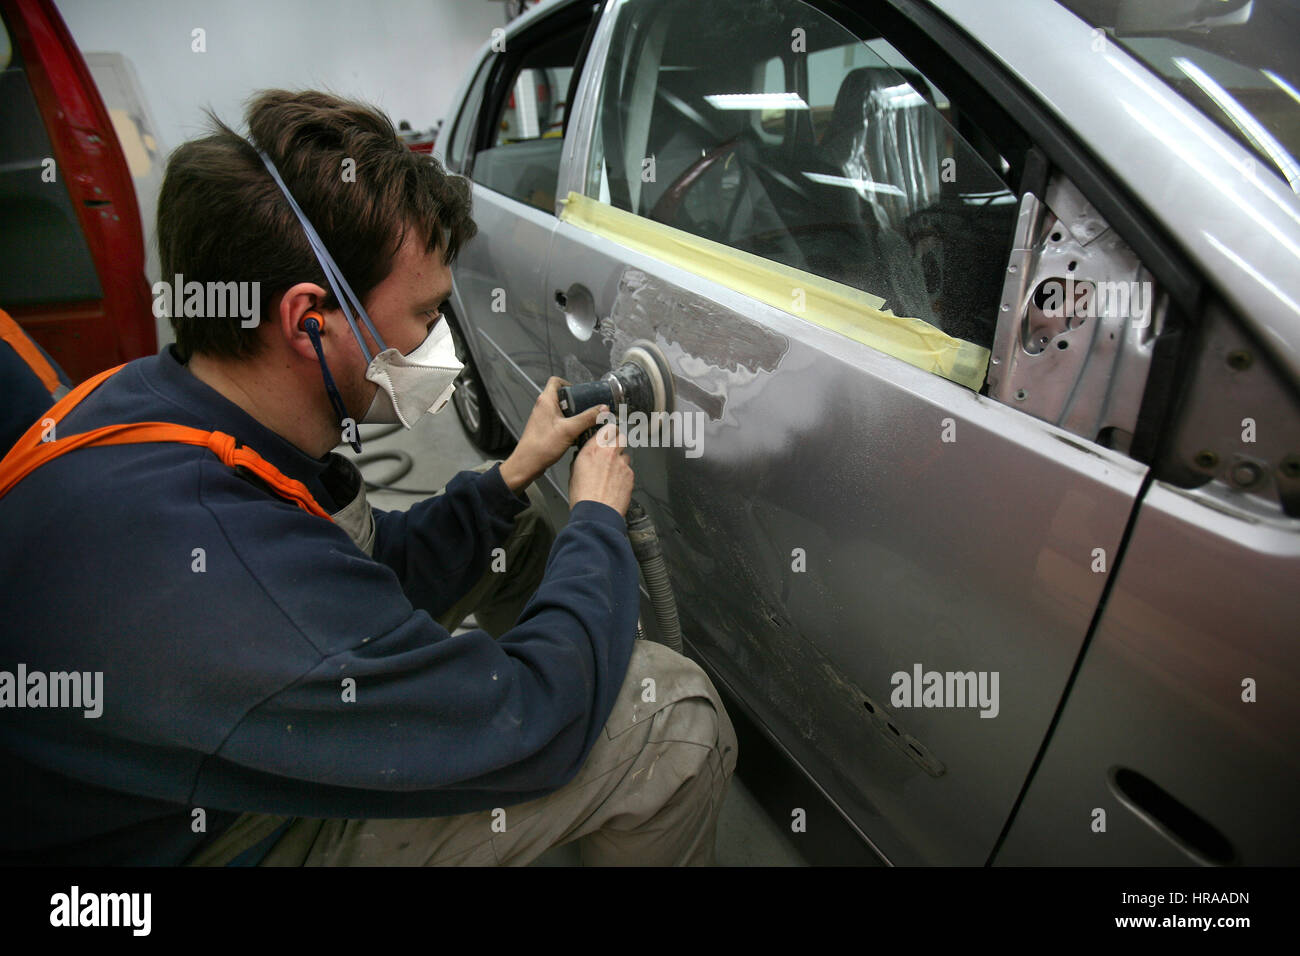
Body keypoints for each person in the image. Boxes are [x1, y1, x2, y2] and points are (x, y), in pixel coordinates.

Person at [0, 89, 736, 866]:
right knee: (672, 719)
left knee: (510, 535)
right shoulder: (238, 586)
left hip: (159, 775)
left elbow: (357, 565)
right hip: (184, 854)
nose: (441, 342)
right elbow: (534, 723)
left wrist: (513, 474)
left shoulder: (155, 400)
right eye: (424, 316)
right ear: (308, 319)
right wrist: (593, 525)